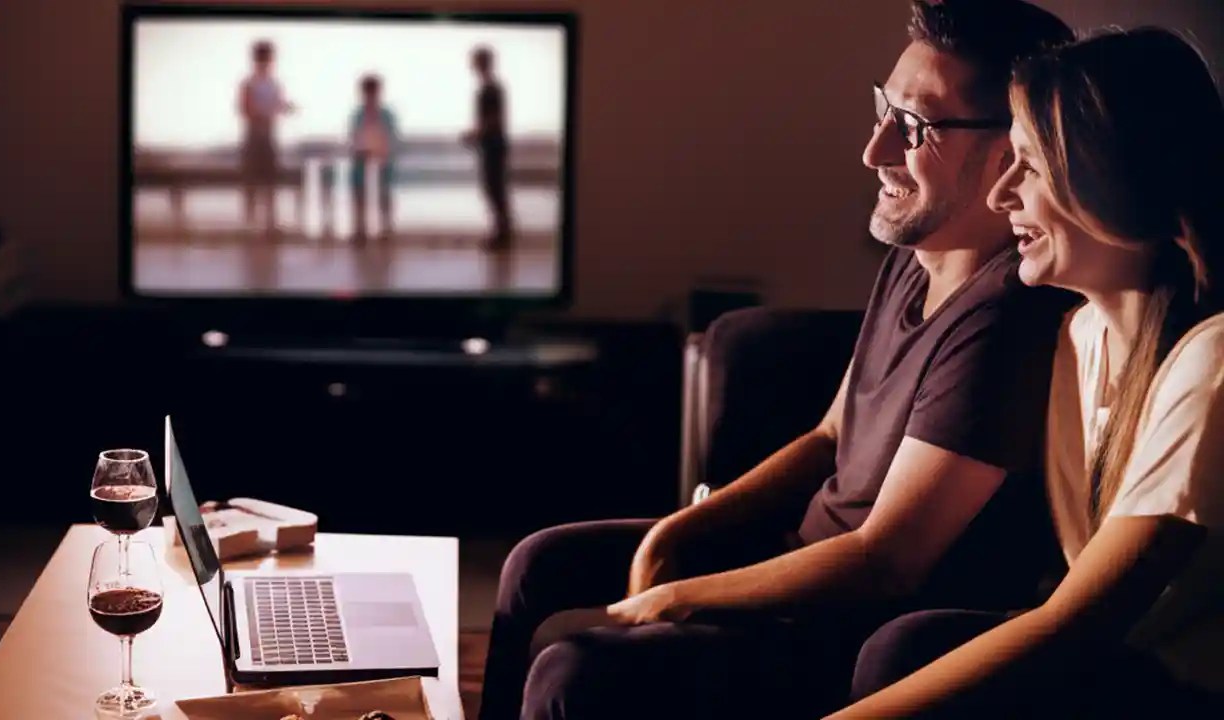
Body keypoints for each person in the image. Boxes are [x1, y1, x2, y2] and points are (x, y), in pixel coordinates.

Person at [478, 2, 1075, 718]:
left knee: (575, 673)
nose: (875, 149)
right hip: (791, 561)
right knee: (539, 564)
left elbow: (889, 561)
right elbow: (831, 435)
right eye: (884, 109)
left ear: (1011, 150)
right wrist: (680, 531)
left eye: (914, 126)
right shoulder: (919, 254)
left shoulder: (1005, 319)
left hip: (843, 629)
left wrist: (674, 597)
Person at [833, 27, 1224, 719]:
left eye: (1031, 168)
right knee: (905, 647)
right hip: (1119, 663)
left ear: (1115, 179)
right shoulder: (1077, 337)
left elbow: (1076, 625)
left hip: (1186, 689)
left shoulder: (1211, 361)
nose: (1001, 196)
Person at [238, 40, 296, 235]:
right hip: (254, 134)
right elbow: (245, 109)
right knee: (252, 179)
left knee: (270, 179)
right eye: (264, 58)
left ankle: (270, 223)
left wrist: (285, 107)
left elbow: (278, 105)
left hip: (269, 134)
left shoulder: (274, 83)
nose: (267, 62)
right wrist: (268, 110)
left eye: (268, 58)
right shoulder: (249, 83)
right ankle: (251, 223)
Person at [462, 45, 512, 250]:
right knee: (493, 189)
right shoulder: (490, 88)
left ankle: (502, 235)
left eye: (475, 61)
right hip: (492, 143)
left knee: (494, 189)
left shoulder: (491, 89)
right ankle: (501, 233)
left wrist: (475, 134)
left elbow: (493, 119)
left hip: (494, 144)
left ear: (482, 63)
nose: (472, 65)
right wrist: (476, 134)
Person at [349, 74, 400, 243]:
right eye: (367, 92)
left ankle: (386, 228)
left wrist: (381, 152)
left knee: (384, 193)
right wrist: (361, 150)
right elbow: (354, 137)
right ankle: (360, 228)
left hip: (382, 157)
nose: (370, 96)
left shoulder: (386, 114)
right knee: (359, 192)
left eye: (373, 92)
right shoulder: (358, 115)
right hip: (362, 157)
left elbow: (391, 138)